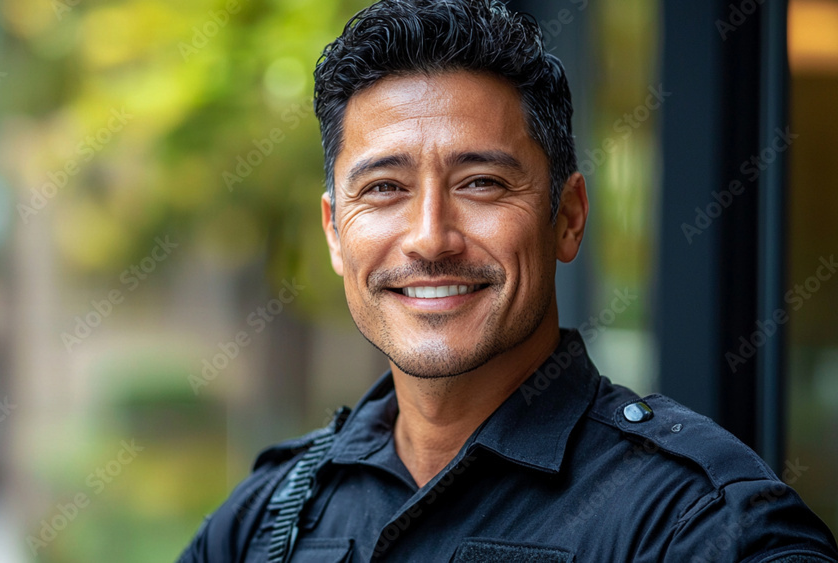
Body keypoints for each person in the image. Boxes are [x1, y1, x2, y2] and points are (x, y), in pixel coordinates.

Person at [178, 0, 838, 561]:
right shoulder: (266, 519)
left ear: (569, 218)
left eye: (482, 183)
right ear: (333, 232)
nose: (430, 236)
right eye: (384, 188)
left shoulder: (699, 525)